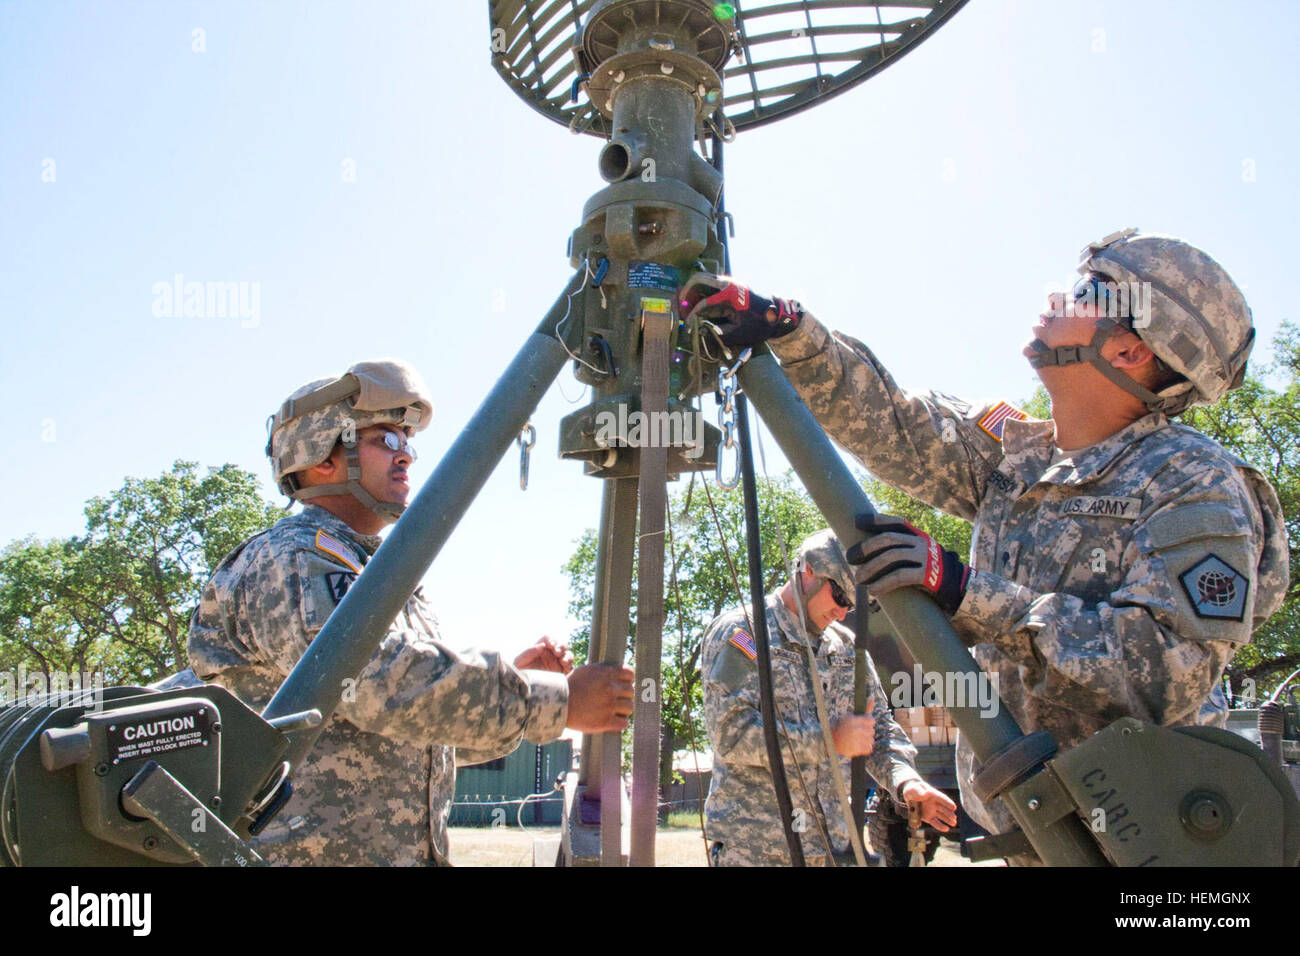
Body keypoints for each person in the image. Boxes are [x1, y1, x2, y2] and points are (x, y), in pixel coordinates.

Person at [684, 229, 1290, 854]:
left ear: (1131, 351)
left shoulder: (1193, 483)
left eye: (1091, 290)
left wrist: (966, 591)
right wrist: (788, 329)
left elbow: (1169, 670)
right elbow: (888, 420)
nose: (1061, 294)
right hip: (1033, 831)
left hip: (1153, 842)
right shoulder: (1017, 457)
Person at [183, 359, 634, 865]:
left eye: (407, 443)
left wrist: (520, 684)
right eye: (387, 441)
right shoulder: (292, 557)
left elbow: (421, 742)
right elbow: (378, 681)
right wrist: (553, 701)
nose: (406, 458)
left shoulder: (371, 570)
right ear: (320, 457)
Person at [703, 529, 957, 866]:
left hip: (835, 851)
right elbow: (731, 736)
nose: (842, 612)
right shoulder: (744, 634)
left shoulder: (847, 647)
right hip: (759, 852)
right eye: (839, 597)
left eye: (851, 605)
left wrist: (905, 782)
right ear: (808, 571)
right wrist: (829, 740)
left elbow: (878, 730)